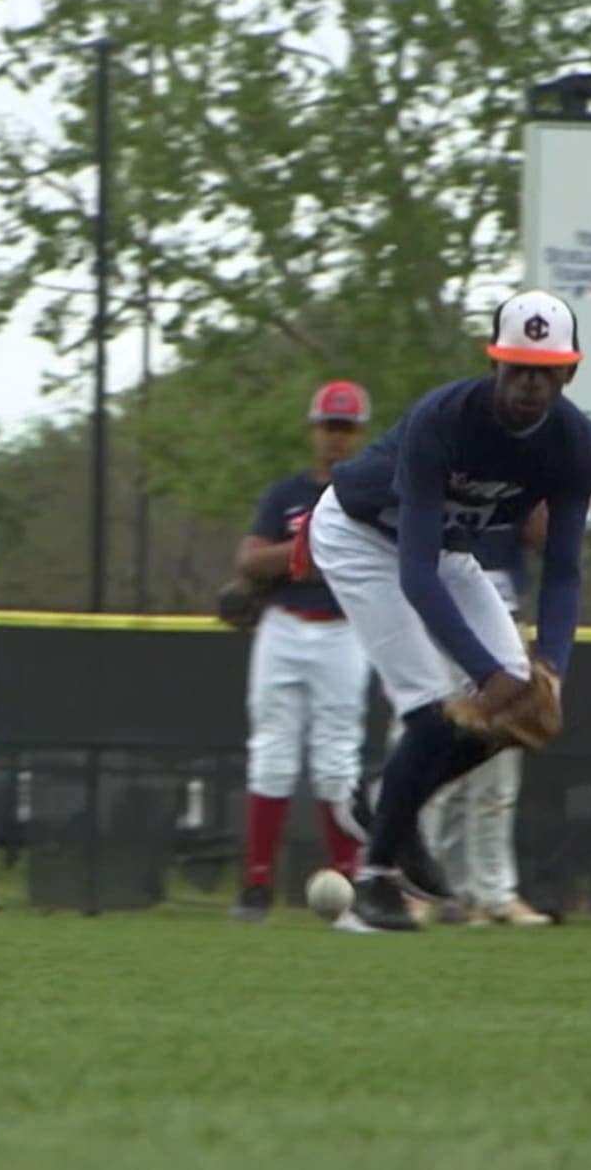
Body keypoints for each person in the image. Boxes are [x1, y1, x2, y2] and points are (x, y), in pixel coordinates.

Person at [308, 289, 591, 934]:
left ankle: (384, 803)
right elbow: (414, 575)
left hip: (443, 551)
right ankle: (376, 884)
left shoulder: (577, 444)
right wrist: (486, 672)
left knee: (516, 717)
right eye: (516, 366)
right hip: (359, 535)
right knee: (434, 709)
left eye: (544, 370)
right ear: (493, 363)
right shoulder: (443, 419)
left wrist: (549, 662)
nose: (529, 383)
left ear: (569, 372)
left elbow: (563, 566)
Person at [229, 380, 374, 923]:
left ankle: (349, 881)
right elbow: (248, 561)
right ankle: (257, 883)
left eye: (346, 428)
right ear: (314, 430)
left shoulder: (368, 494)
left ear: (359, 434)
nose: (336, 438)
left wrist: (294, 553)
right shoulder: (285, 494)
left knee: (337, 759)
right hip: (284, 625)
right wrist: (311, 547)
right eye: (328, 427)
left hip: (344, 627)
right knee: (271, 752)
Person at [417, 506, 555, 927]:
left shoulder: (521, 470)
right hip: (442, 620)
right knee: (427, 759)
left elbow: (546, 539)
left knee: (497, 772)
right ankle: (415, 889)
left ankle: (493, 893)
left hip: (503, 618)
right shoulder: (446, 457)